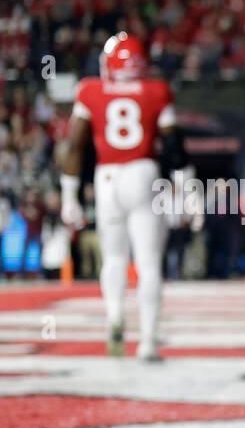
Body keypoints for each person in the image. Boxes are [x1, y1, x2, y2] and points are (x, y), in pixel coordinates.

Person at [60, 32, 201, 360]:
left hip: (107, 179)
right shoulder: (156, 91)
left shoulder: (90, 90)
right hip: (143, 173)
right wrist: (190, 191)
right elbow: (174, 146)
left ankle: (114, 318)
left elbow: (74, 145)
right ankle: (149, 340)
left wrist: (70, 195)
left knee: (114, 258)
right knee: (149, 262)